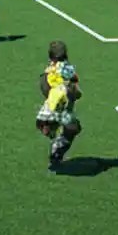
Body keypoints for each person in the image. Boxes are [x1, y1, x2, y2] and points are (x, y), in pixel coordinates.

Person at [36, 41, 83, 170]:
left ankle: (49, 128)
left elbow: (44, 85)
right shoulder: (67, 69)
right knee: (73, 128)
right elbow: (74, 87)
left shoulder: (49, 70)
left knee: (61, 123)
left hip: (51, 106)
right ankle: (56, 149)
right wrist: (76, 93)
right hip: (63, 107)